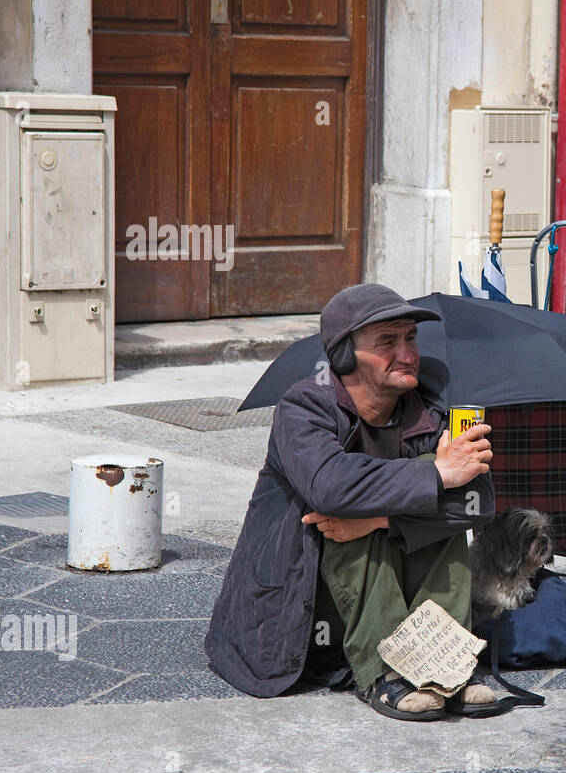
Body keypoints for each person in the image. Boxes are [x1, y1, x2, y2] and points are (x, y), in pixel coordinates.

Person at [205, 284, 499, 720]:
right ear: (344, 355)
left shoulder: (431, 411)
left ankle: (445, 663)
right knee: (348, 513)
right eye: (387, 342)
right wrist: (435, 473)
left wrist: (385, 519)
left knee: (425, 518)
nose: (407, 353)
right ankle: (388, 673)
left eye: (411, 339)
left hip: (391, 580)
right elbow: (330, 488)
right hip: (307, 605)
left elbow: (478, 503)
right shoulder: (303, 406)